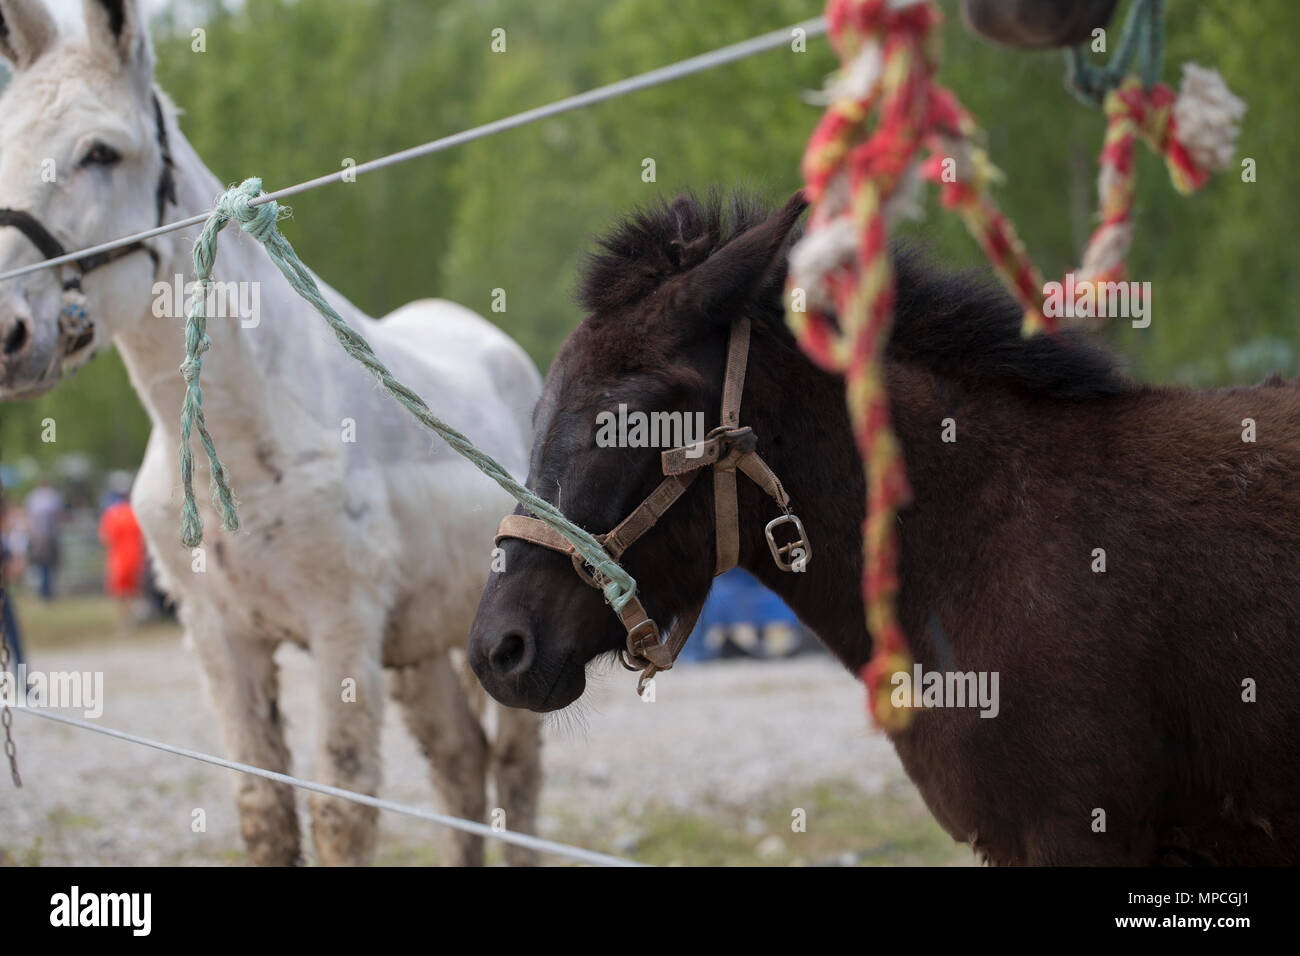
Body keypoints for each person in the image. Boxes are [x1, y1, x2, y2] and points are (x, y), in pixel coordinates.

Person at [99, 488, 147, 629]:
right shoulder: (134, 513)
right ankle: (135, 617)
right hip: (135, 555)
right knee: (135, 590)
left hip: (118, 557)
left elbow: (105, 538)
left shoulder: (111, 515)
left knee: (120, 593)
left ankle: (125, 621)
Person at [23, 481, 64, 601]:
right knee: (44, 566)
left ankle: (46, 592)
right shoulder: (51, 496)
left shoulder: (34, 497)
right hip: (43, 536)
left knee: (45, 566)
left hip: (42, 536)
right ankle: (45, 592)